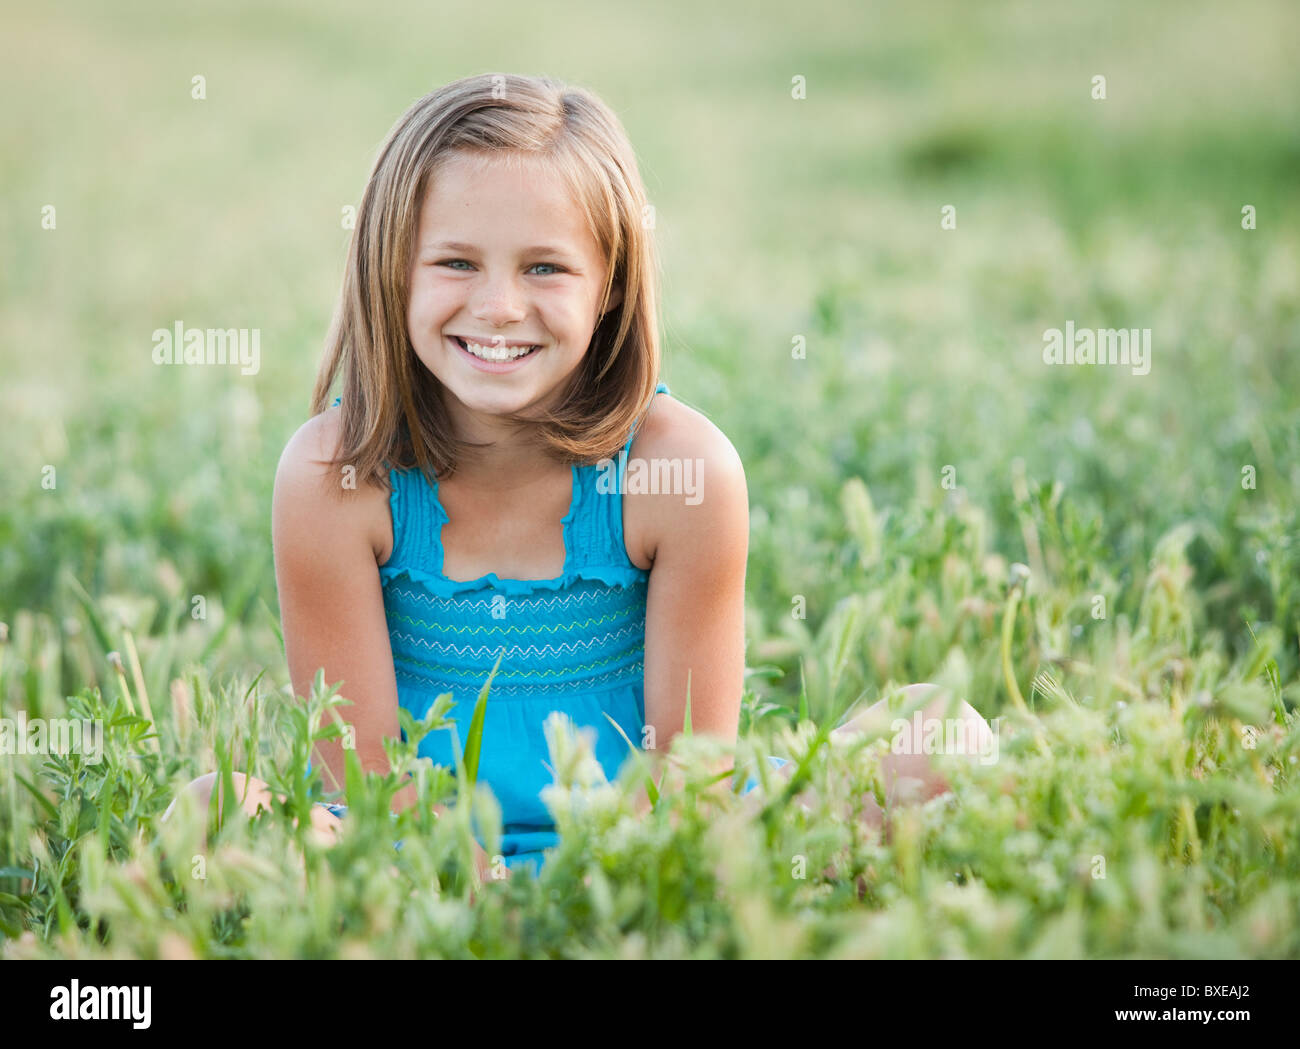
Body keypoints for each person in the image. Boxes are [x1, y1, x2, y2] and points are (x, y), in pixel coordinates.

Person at [170, 72, 994, 884]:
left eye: (545, 269)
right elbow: (369, 787)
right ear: (392, 271)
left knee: (940, 730)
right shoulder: (332, 478)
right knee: (212, 813)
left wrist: (590, 885)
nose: (498, 306)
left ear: (610, 288)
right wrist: (473, 887)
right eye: (456, 261)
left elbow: (692, 782)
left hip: (656, 845)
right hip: (417, 858)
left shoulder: (680, 471)